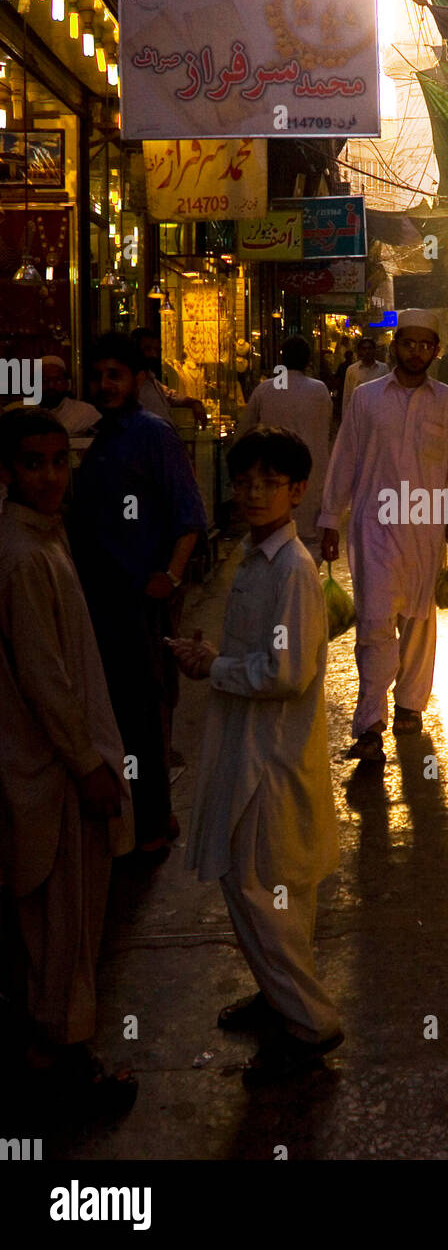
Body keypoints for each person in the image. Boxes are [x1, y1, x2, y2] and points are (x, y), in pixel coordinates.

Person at [170, 427, 341, 1085]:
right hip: (248, 741)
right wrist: (208, 663)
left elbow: (286, 671)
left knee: (254, 884)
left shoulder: (292, 570)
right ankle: (278, 999)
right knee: (274, 885)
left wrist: (217, 668)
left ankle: (310, 1022)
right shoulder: (254, 553)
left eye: (269, 482)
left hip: (270, 756)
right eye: (244, 481)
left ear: (297, 491)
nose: (252, 492)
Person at [0, 408, 136, 1115]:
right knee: (59, 929)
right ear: (8, 473)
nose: (51, 475)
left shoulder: (43, 541)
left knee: (61, 928)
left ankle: (53, 1051)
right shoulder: (23, 555)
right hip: (51, 775)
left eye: (59, 460)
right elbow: (45, 679)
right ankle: (58, 1062)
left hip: (62, 765)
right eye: (34, 462)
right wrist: (86, 763)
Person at [68, 334, 207, 858]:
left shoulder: (153, 435)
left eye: (116, 376)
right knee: (110, 711)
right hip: (97, 596)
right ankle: (135, 816)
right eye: (99, 376)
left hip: (139, 599)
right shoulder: (95, 436)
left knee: (143, 713)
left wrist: (169, 578)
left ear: (137, 380)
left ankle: (150, 822)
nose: (105, 385)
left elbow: (189, 515)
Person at [318, 309, 448, 761]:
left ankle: (409, 704)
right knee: (374, 623)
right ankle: (369, 723)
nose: (418, 351)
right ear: (395, 345)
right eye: (410, 343)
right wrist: (330, 517)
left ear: (435, 351)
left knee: (421, 621)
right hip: (374, 525)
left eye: (427, 345)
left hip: (425, 527)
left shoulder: (447, 401)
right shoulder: (365, 399)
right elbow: (345, 455)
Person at [233, 335, 331, 566]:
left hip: (271, 478)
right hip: (311, 477)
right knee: (307, 542)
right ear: (308, 361)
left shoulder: (266, 389)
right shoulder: (319, 390)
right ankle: (303, 591)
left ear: (282, 359)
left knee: (271, 539)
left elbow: (242, 435)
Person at [130, 327, 206, 428]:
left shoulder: (150, 379)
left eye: (156, 350)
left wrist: (195, 403)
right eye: (147, 349)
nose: (154, 355)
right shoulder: (130, 385)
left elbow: (170, 395)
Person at [38, 356, 101, 437]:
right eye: (44, 380)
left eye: (57, 380)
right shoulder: (24, 411)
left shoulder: (86, 411)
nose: (51, 386)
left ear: (67, 383)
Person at [342, 335, 389, 412]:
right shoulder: (351, 370)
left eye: (370, 348)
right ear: (359, 351)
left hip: (378, 411)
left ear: (374, 350)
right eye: (364, 349)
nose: (367, 351)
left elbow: (387, 393)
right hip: (358, 411)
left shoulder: (383, 368)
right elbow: (347, 395)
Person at [331, 347, 355, 424]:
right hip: (344, 387)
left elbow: (337, 376)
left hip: (342, 387)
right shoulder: (352, 367)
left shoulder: (346, 366)